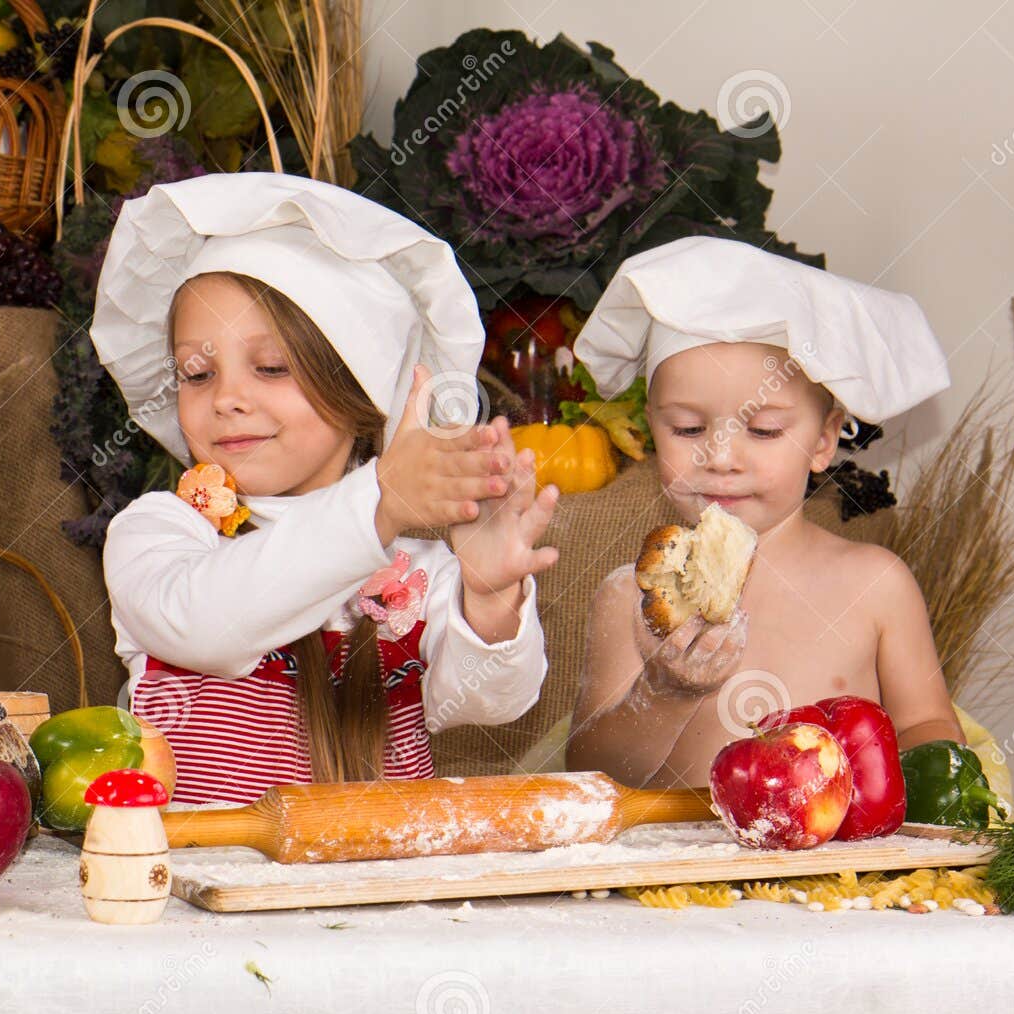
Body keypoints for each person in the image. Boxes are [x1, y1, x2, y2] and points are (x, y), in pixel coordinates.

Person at [91, 172, 558, 803]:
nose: (227, 398)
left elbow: (491, 701)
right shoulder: (160, 532)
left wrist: (491, 595)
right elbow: (212, 624)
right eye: (196, 373)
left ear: (362, 389)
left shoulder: (419, 574)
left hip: (376, 893)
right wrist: (382, 501)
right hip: (201, 890)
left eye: (272, 367)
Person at [564, 236, 964, 789]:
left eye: (763, 430)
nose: (721, 457)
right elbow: (593, 772)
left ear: (824, 440)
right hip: (677, 875)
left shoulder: (877, 585)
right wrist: (663, 693)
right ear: (651, 428)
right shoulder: (629, 600)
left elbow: (925, 722)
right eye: (687, 428)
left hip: (837, 873)